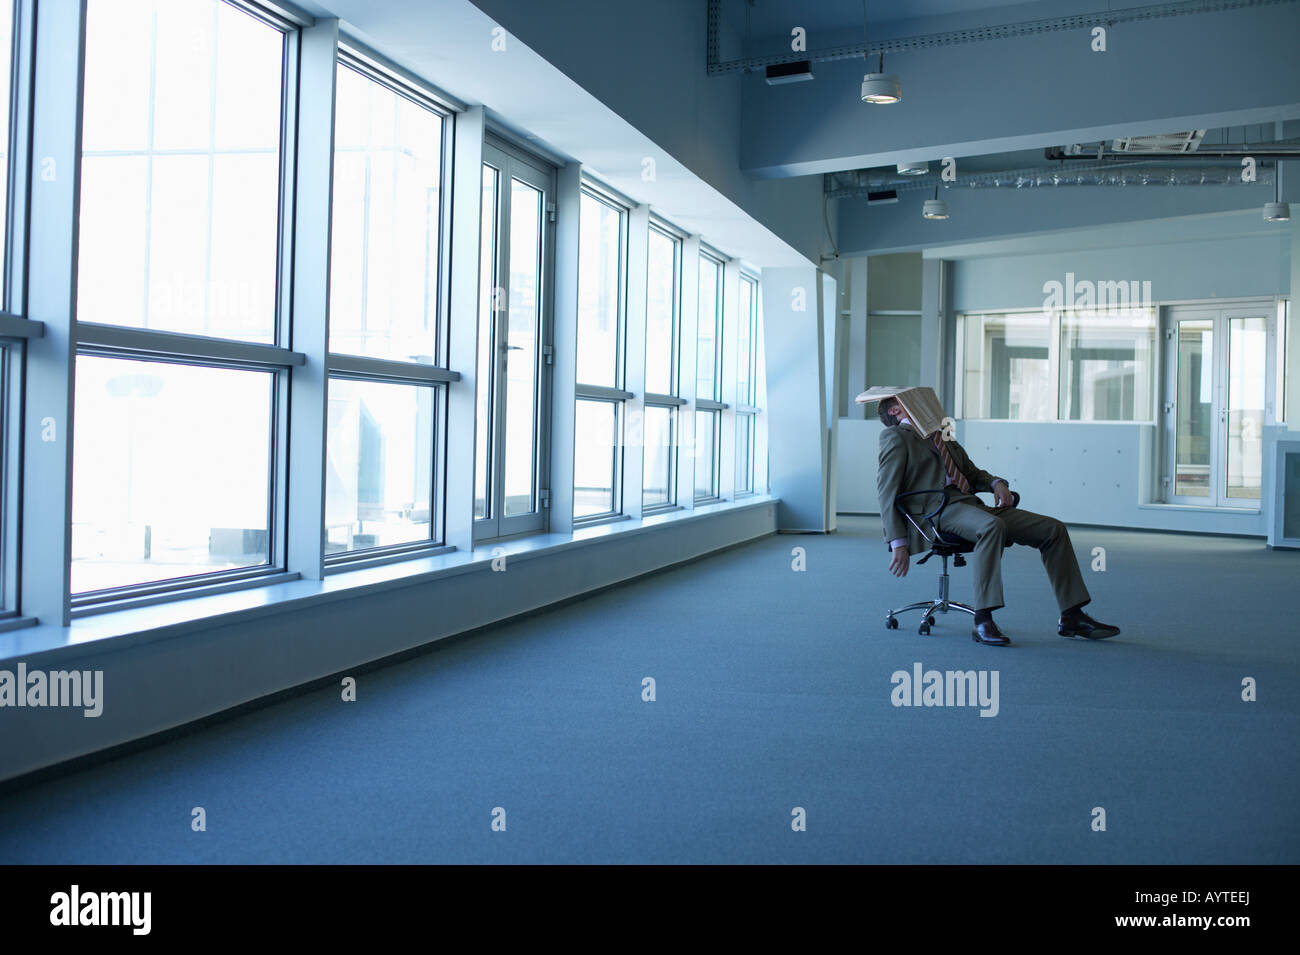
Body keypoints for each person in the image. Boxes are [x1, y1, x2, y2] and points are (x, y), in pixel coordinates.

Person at [876, 396, 1120, 646]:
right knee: (991, 527)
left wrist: (995, 483)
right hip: (938, 510)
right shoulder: (896, 437)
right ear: (895, 410)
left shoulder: (943, 434)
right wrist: (898, 542)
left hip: (971, 505)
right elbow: (886, 492)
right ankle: (983, 620)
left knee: (1052, 529)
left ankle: (1072, 615)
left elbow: (970, 472)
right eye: (910, 399)